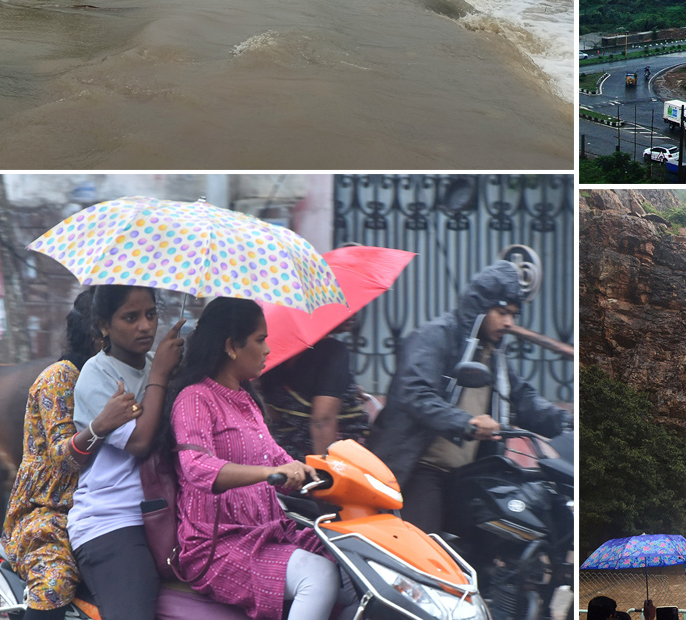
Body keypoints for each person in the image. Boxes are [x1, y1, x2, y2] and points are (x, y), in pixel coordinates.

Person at [168, 297, 345, 620]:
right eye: (260, 340)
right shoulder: (194, 398)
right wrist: (268, 473)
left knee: (349, 558)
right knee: (318, 576)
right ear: (232, 346)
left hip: (266, 533)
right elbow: (197, 468)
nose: (267, 349)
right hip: (216, 546)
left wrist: (327, 477)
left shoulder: (247, 401)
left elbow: (279, 459)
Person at [367, 260, 570, 533]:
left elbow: (523, 398)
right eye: (501, 312)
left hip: (466, 476)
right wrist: (468, 423)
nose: (508, 322)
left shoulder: (493, 355)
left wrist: (566, 421)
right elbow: (414, 393)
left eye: (513, 315)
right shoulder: (436, 336)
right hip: (420, 468)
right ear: (480, 309)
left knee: (494, 546)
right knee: (427, 558)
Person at [2, 292, 141, 620]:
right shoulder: (60, 378)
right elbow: (64, 459)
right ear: (99, 332)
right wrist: (101, 424)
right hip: (49, 511)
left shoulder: (122, 375)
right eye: (129, 320)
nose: (140, 329)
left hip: (107, 507)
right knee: (55, 582)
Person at [68, 286, 185, 620]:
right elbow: (138, 442)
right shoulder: (97, 373)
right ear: (105, 325)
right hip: (114, 520)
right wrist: (160, 375)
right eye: (130, 317)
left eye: (150, 314)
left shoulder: (157, 364)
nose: (145, 326)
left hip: (164, 510)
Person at [261, 317, 371, 461]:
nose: (352, 315)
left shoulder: (276, 348)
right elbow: (322, 420)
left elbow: (274, 408)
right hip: (320, 455)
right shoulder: (332, 351)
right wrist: (326, 473)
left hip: (283, 456)